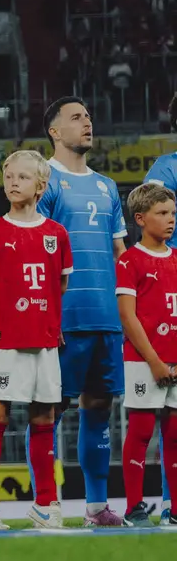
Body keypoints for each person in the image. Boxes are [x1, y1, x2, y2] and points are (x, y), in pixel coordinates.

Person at [37, 97, 129, 527]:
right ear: (54, 131)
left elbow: (119, 252)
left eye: (89, 115)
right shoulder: (45, 181)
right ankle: (47, 504)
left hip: (106, 316)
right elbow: (36, 250)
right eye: (76, 117)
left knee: (99, 407)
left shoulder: (108, 186)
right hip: (65, 318)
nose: (87, 122)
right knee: (51, 408)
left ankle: (96, 506)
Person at [0, 150, 71, 532]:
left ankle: (45, 504)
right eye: (9, 176)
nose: (13, 182)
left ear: (41, 186)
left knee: (44, 416)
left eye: (22, 177)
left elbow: (59, 283)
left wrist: (50, 318)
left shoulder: (56, 234)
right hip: (6, 338)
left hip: (44, 338)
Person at [115, 181, 177, 527]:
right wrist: (154, 361)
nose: (171, 220)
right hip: (143, 361)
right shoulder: (130, 260)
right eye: (162, 213)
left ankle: (176, 509)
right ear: (140, 218)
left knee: (175, 435)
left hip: (176, 359)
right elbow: (127, 316)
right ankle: (134, 508)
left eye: (173, 213)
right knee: (140, 433)